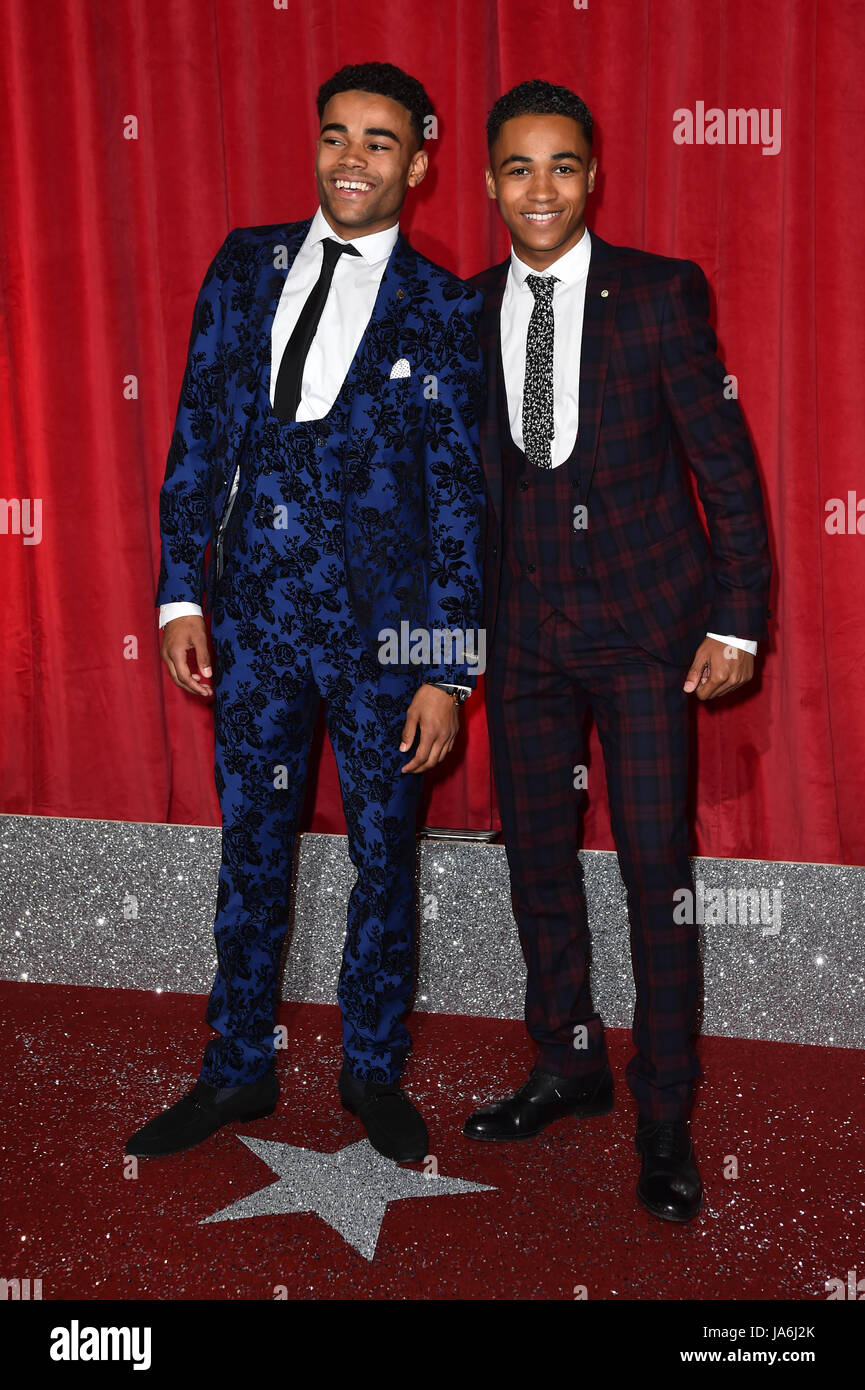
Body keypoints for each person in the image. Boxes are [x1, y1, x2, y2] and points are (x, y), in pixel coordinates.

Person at [126, 62, 485, 1166]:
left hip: (388, 638)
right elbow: (197, 427)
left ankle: (372, 1068)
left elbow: (466, 502)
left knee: (386, 856)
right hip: (257, 618)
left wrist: (448, 666)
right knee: (254, 846)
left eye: (380, 143)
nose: (352, 160)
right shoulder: (246, 263)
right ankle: (236, 1064)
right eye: (337, 135)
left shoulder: (448, 304)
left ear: (418, 164)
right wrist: (182, 588)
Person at [463, 80, 771, 1222]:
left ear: (591, 177)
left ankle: (664, 1110)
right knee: (535, 862)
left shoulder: (655, 295)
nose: (538, 187)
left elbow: (724, 471)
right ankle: (569, 1061)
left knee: (657, 874)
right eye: (516, 167)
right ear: (488, 180)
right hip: (522, 635)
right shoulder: (465, 307)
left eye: (560, 165)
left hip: (648, 632)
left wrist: (734, 619)